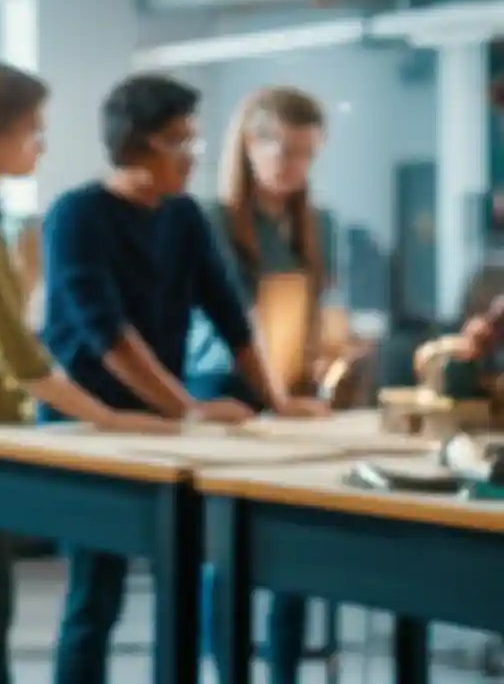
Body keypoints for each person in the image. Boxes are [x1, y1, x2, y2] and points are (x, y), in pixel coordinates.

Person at [0, 62, 178, 684]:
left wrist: (26, 271)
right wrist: (111, 418)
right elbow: (18, 359)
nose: (42, 145)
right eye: (33, 130)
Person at [39, 74, 328, 684]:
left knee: (177, 585)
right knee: (96, 596)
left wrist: (277, 400)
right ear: (137, 144)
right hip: (90, 426)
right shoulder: (77, 214)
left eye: (194, 140)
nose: (193, 155)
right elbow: (108, 335)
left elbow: (228, 311)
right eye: (180, 141)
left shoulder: (184, 216)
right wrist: (189, 408)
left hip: (161, 422)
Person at [185, 86, 333, 684]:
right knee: (225, 558)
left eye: (307, 156)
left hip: (290, 394)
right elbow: (235, 320)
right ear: (250, 145)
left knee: (295, 554)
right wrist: (271, 394)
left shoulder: (310, 223)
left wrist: (318, 366)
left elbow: (309, 310)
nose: (295, 169)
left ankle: (285, 673)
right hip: (224, 388)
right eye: (286, 152)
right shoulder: (211, 219)